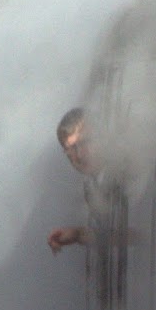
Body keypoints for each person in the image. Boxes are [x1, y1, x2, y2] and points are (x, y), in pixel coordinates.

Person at [48, 106, 100, 254]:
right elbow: (122, 235)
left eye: (85, 142)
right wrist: (78, 235)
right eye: (70, 149)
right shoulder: (92, 187)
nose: (80, 154)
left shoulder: (127, 175)